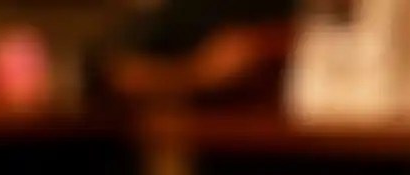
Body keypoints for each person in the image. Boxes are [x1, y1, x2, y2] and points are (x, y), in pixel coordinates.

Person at [96, 0, 300, 108]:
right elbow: (118, 72)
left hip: (292, 150)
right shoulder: (179, 11)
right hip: (205, 155)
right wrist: (197, 74)